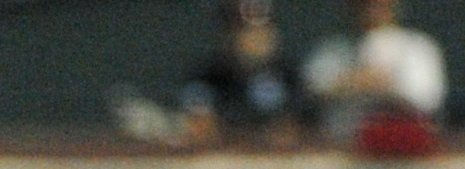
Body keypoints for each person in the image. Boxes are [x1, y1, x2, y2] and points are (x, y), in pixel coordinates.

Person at [304, 0, 450, 118]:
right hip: (339, 145)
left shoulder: (418, 47)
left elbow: (427, 100)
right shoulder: (332, 50)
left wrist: (385, 85)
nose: (371, 7)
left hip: (400, 146)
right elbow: (311, 89)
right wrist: (353, 81)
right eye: (364, 3)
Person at [181, 0, 302, 136]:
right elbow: (199, 130)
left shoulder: (289, 77)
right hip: (223, 154)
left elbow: (303, 127)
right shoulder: (209, 78)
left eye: (265, 28)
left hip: (278, 156)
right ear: (230, 35)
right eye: (248, 31)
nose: (259, 37)